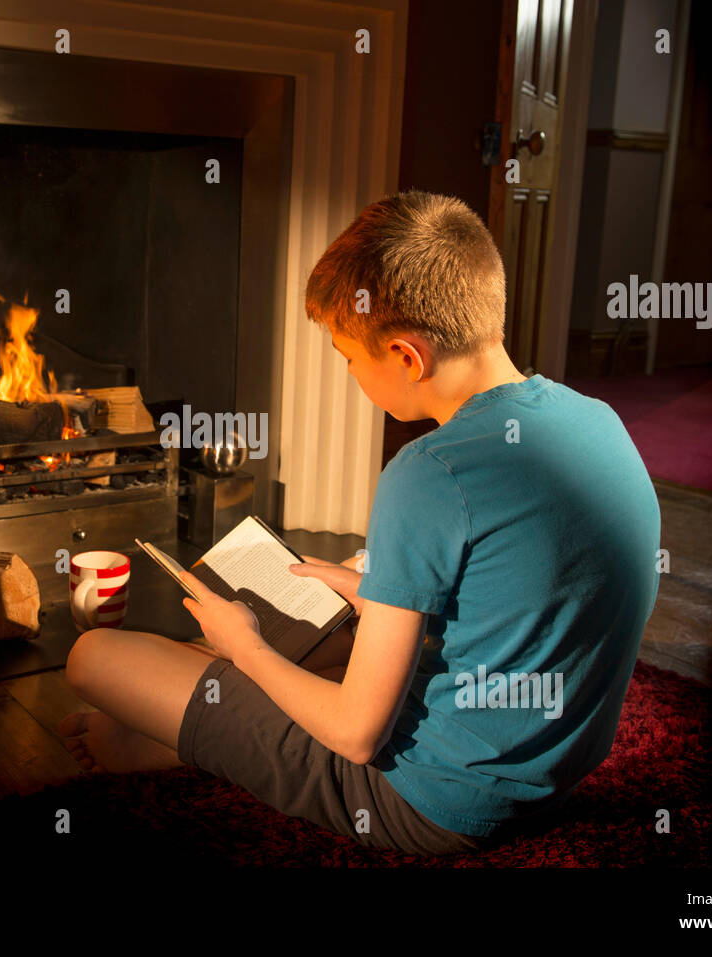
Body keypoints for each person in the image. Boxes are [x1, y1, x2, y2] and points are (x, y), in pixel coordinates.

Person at [58, 191, 661, 855]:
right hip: (550, 774)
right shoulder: (599, 421)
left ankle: (159, 732)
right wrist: (369, 594)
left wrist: (246, 645)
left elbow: (356, 735)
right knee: (344, 591)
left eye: (348, 355)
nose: (348, 372)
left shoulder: (428, 472)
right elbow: (532, 596)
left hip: (427, 802)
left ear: (406, 355)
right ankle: (185, 715)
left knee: (95, 657)